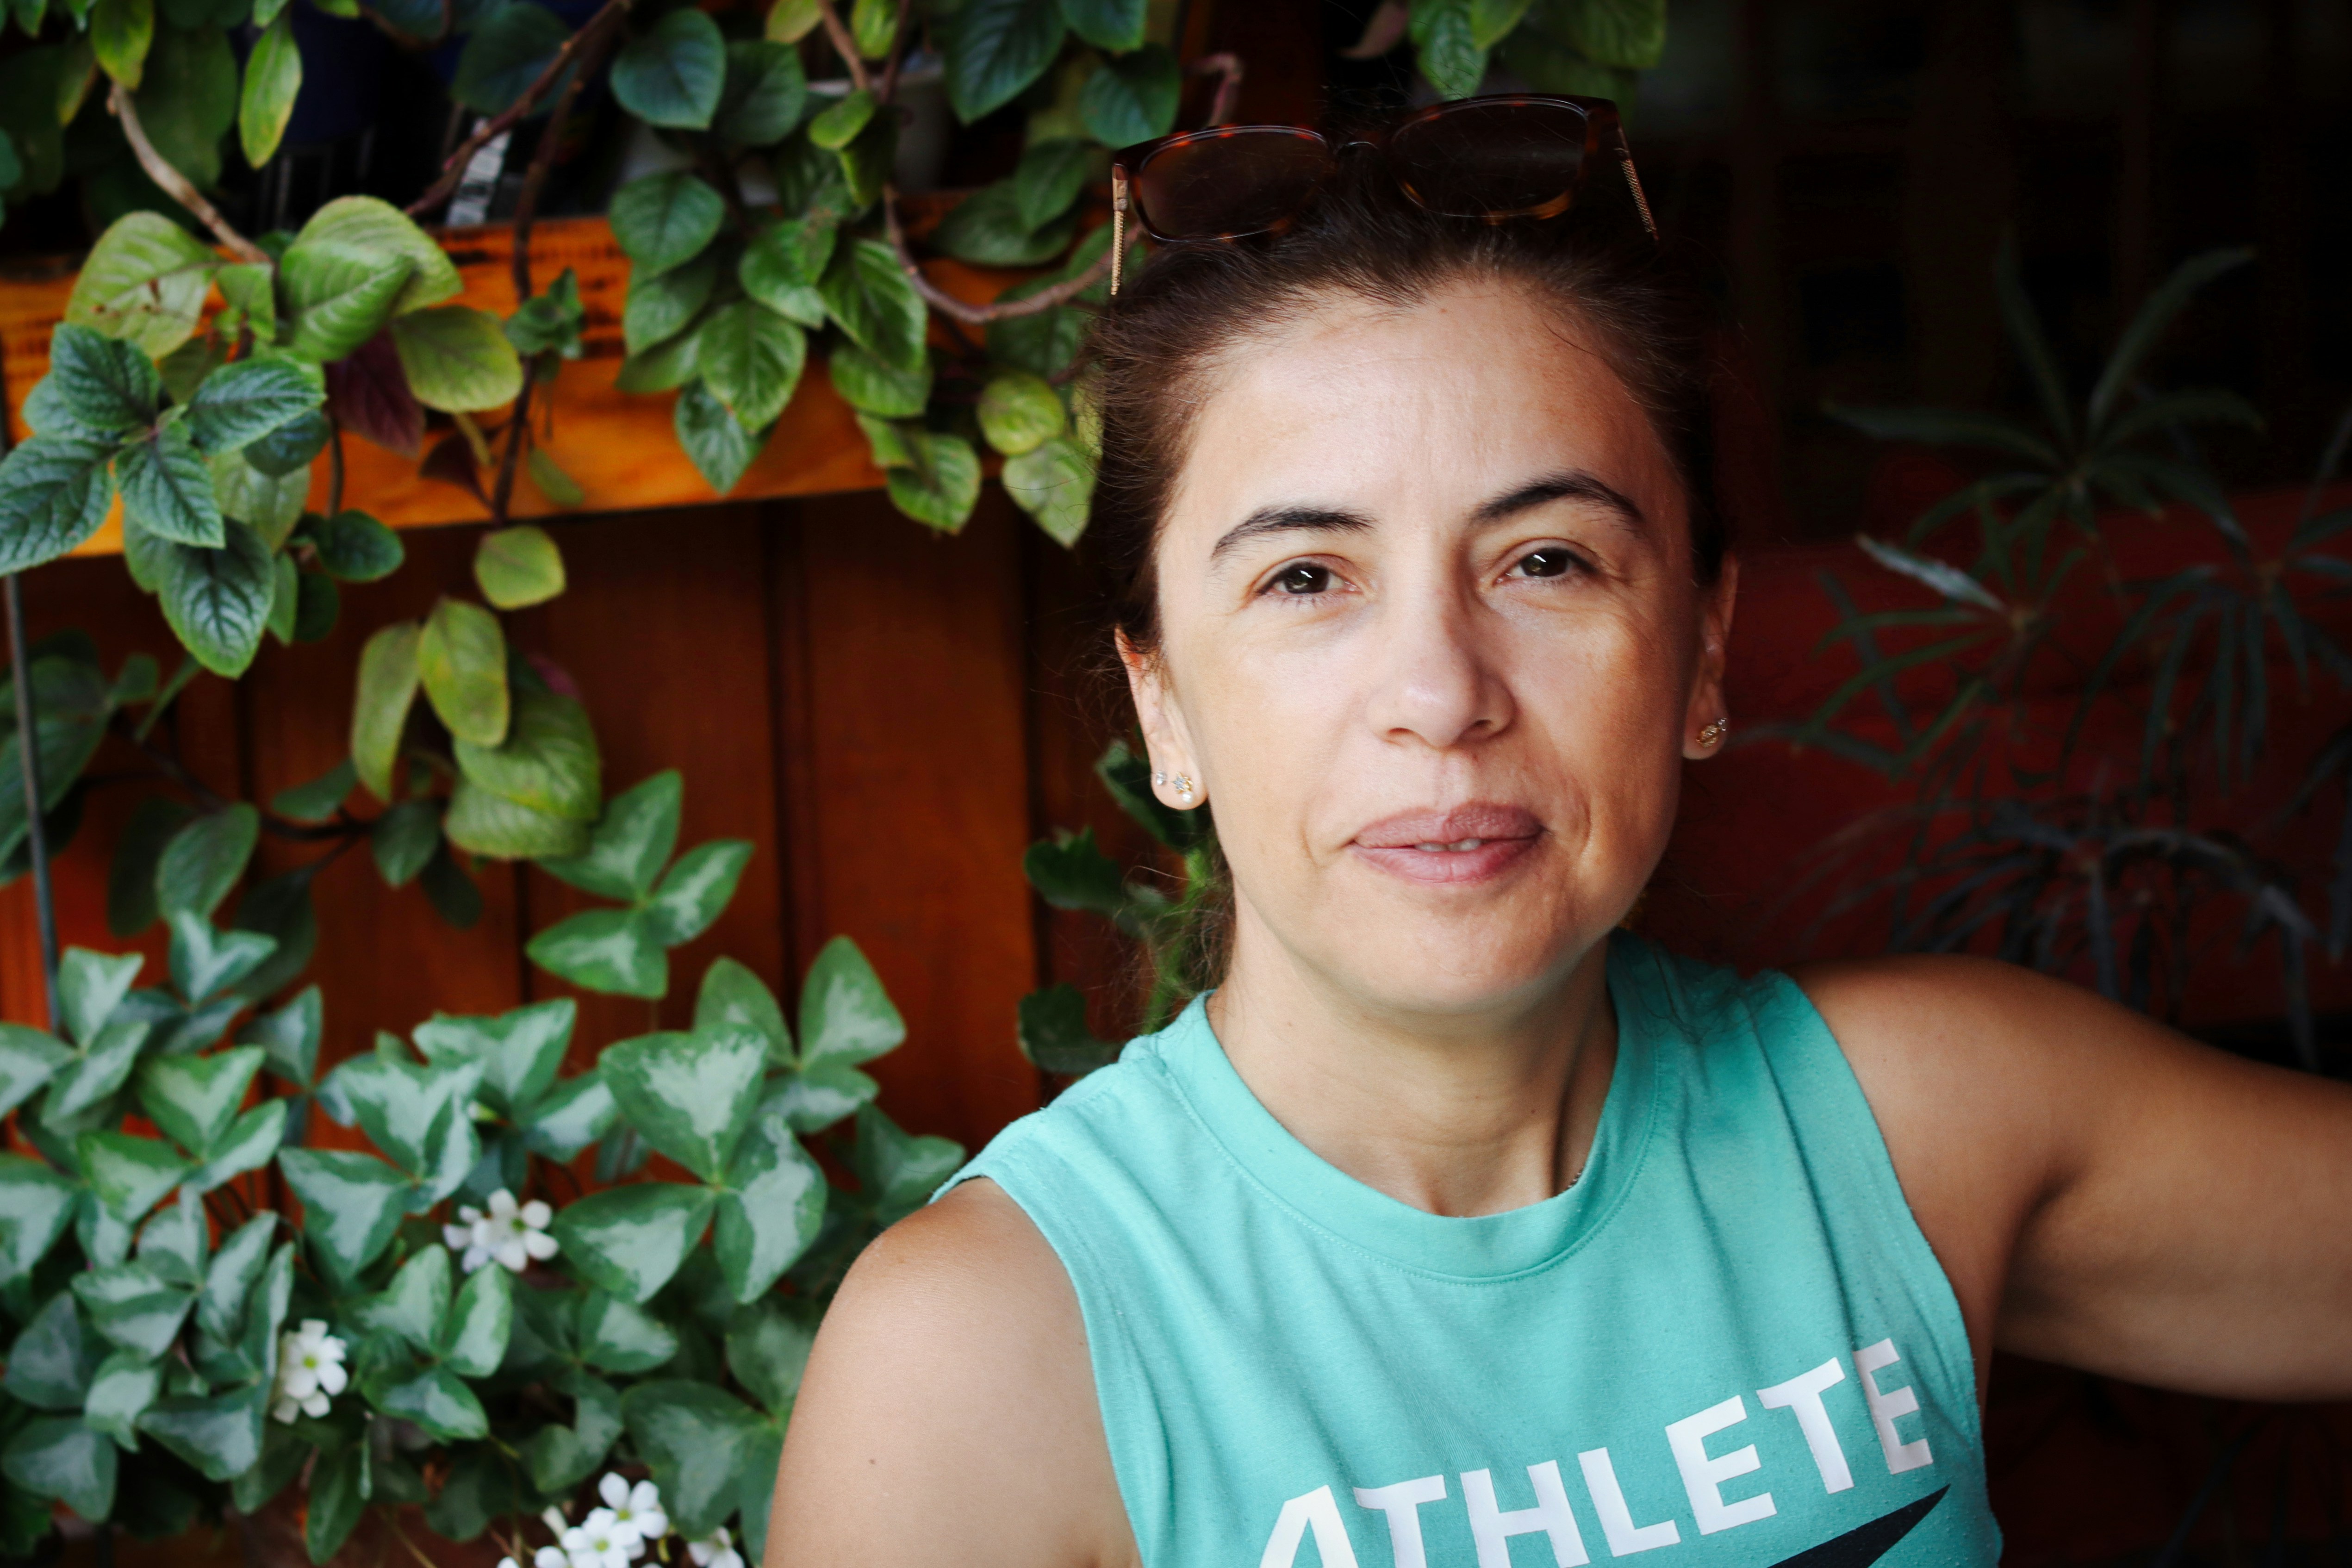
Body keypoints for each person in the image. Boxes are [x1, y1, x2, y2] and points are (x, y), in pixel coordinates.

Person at [766, 97, 2352, 1568]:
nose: (1442, 695)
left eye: (1546, 562)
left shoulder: (1920, 1128)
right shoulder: (986, 1352)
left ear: (1705, 655)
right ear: (1162, 706)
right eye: (1306, 578)